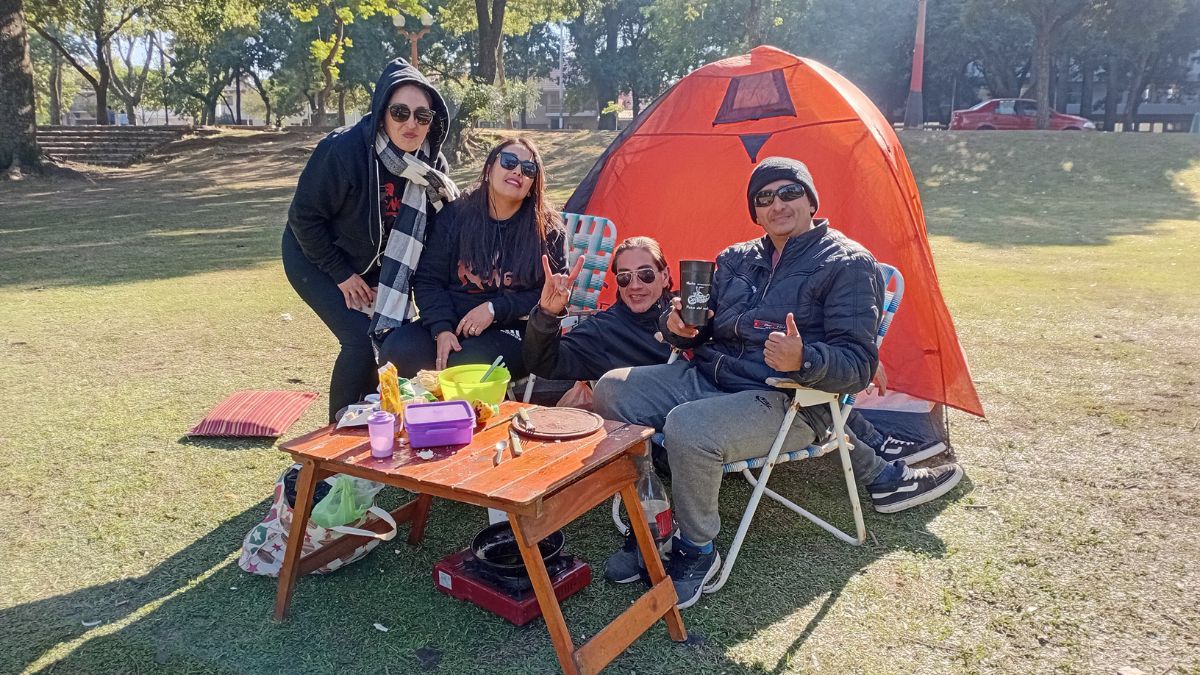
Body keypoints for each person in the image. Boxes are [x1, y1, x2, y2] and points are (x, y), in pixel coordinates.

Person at [593, 157, 964, 608]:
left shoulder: (847, 263)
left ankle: (697, 550)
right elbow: (702, 328)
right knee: (612, 389)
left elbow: (859, 364)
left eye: (789, 192)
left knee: (688, 426)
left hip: (786, 399)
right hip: (710, 376)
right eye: (764, 198)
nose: (777, 204)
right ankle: (653, 521)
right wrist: (679, 329)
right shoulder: (735, 258)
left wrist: (803, 358)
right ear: (755, 211)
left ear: (810, 200)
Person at [282, 58, 454, 421]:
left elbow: (435, 233)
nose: (411, 123)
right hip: (315, 257)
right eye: (400, 112)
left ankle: (372, 422)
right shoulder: (344, 150)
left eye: (422, 116)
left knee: (389, 341)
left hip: (377, 267)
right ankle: (337, 435)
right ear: (381, 113)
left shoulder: (432, 168)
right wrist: (341, 275)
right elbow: (304, 218)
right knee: (359, 340)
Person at [377, 138, 566, 376]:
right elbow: (428, 280)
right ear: (489, 169)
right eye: (509, 162)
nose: (518, 171)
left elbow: (550, 296)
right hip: (453, 319)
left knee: (466, 364)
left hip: (513, 328)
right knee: (397, 351)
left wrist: (494, 309)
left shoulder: (548, 230)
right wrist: (441, 329)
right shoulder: (455, 216)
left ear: (533, 183)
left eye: (529, 169)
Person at [522, 236, 675, 382]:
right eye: (624, 277)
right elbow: (544, 363)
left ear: (665, 276)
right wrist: (547, 314)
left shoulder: (683, 309)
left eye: (646, 274)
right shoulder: (605, 330)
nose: (635, 285)